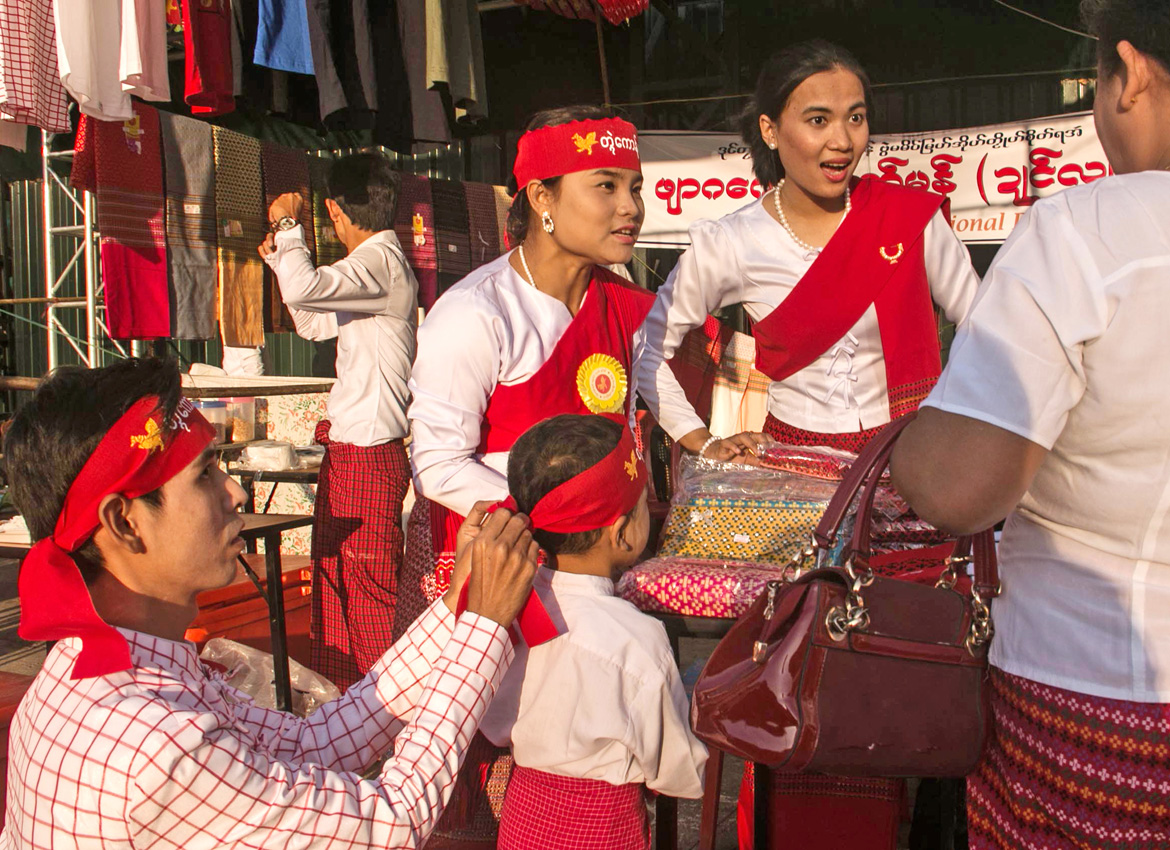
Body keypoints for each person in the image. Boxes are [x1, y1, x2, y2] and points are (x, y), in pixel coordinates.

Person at [634, 40, 982, 850]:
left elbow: (991, 331)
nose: (841, 141)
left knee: (901, 688)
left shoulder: (908, 219)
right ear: (770, 129)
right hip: (787, 509)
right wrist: (695, 438)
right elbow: (652, 347)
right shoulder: (730, 241)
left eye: (855, 119)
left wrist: (951, 423)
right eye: (817, 119)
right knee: (795, 688)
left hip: (910, 490)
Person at [0, 357, 538, 849]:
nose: (236, 493)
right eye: (205, 475)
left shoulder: (101, 667)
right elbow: (388, 823)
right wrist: (483, 628)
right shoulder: (153, 742)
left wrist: (454, 609)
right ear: (125, 521)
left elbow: (312, 741)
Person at [889, 2, 1170, 847]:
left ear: (1132, 74)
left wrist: (911, 445)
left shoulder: (1084, 232)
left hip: (1099, 699)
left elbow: (956, 489)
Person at [402, 105, 653, 846]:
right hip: (493, 566)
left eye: (634, 187)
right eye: (605, 186)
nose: (631, 207)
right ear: (541, 199)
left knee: (575, 765)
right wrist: (565, 506)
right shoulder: (475, 314)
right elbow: (437, 464)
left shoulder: (621, 302)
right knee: (472, 775)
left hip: (585, 568)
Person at [478, 415, 707, 850]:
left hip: (523, 817)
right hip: (604, 828)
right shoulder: (638, 642)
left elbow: (490, 719)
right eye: (643, 502)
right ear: (622, 535)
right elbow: (677, 769)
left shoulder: (503, 608)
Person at [259, 153, 419, 690]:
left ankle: (383, 720)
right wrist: (283, 256)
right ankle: (348, 711)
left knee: (369, 592)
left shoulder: (378, 261)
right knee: (335, 584)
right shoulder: (374, 267)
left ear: (334, 210)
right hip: (354, 454)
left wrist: (287, 226)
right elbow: (308, 322)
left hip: (369, 455)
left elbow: (305, 293)